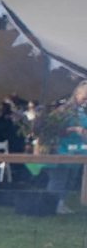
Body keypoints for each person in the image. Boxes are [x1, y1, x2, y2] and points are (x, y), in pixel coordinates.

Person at [42, 81, 87, 214]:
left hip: (78, 150)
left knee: (70, 179)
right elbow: (52, 129)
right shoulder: (64, 110)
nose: (86, 101)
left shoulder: (83, 111)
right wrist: (72, 129)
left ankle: (60, 202)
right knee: (59, 177)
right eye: (85, 97)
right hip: (62, 148)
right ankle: (52, 204)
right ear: (77, 94)